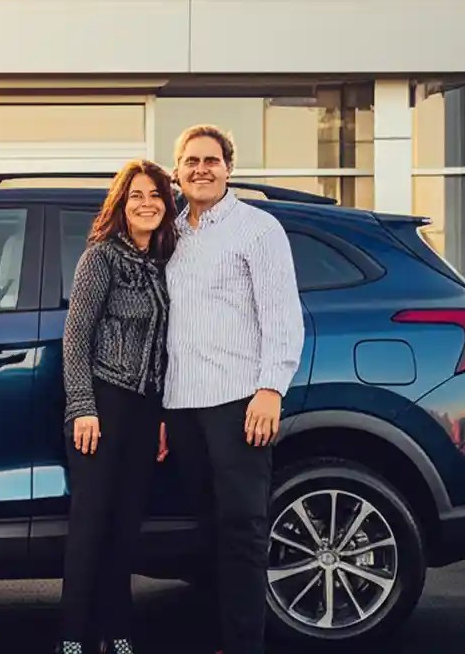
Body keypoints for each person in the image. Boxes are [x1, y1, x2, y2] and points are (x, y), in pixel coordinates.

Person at [163, 125, 304, 654]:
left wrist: (270, 389)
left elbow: (282, 316)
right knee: (205, 532)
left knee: (242, 529)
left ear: (228, 168)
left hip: (237, 403)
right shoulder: (170, 233)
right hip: (181, 404)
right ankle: (216, 639)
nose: (201, 169)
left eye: (211, 160)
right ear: (176, 169)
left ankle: (244, 646)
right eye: (191, 160)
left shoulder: (256, 229)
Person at [57, 159, 177, 654]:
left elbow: (171, 346)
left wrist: (164, 415)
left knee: (126, 530)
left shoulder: (167, 262)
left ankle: (119, 635)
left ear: (166, 206)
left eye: (154, 195)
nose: (146, 203)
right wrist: (83, 406)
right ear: (121, 205)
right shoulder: (101, 258)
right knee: (90, 530)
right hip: (101, 407)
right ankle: (72, 641)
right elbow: (76, 336)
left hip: (146, 410)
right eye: (136, 196)